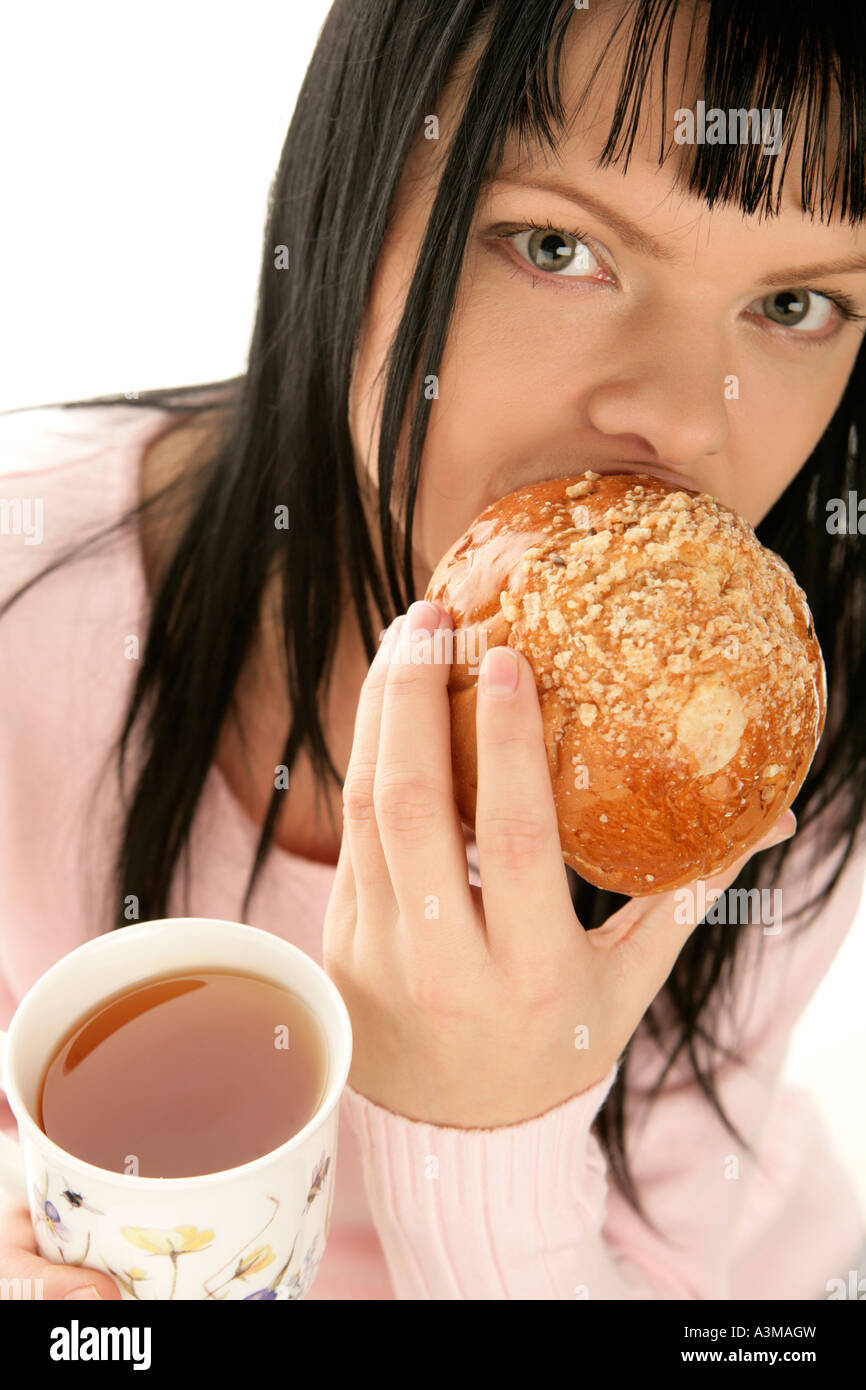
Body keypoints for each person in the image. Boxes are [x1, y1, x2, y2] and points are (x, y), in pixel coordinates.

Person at [1, 0, 865, 1300]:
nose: (684, 419)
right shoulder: (26, 613)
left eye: (793, 301)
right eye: (557, 243)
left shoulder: (765, 742)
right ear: (344, 205)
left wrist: (485, 1133)